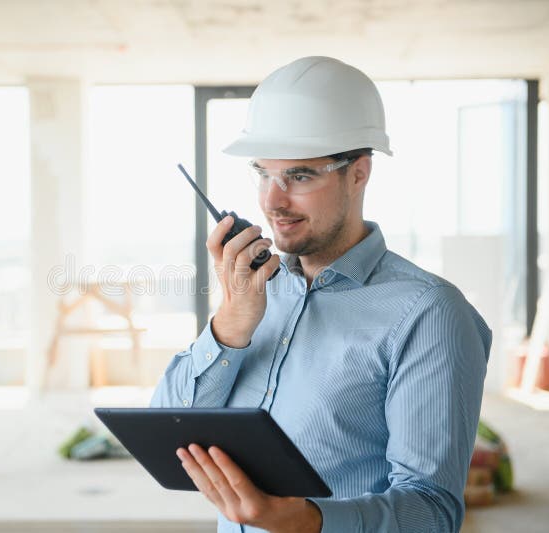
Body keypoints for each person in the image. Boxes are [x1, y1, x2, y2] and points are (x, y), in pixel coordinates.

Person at [150, 56, 491, 533]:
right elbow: (167, 434)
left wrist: (307, 521)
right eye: (264, 173)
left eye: (300, 175)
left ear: (359, 173)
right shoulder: (253, 290)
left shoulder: (428, 313)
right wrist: (230, 325)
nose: (272, 200)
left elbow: (431, 513)